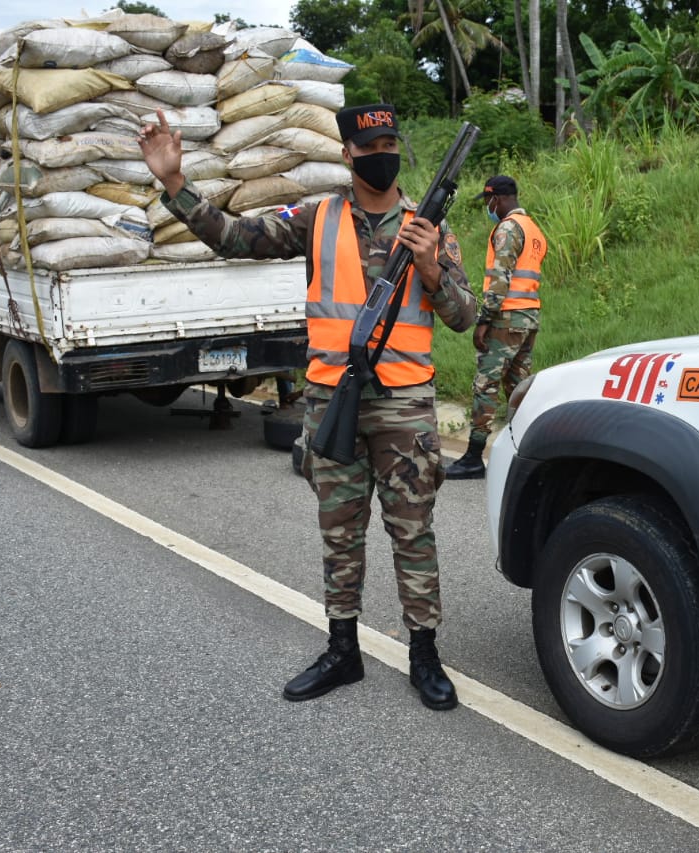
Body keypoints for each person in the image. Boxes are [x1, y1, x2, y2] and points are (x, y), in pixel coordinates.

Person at [138, 103, 476, 711]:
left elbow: (464, 317)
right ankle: (342, 650)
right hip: (332, 396)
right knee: (339, 533)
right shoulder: (317, 218)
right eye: (369, 146)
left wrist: (431, 267)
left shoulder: (430, 229)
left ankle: (423, 654)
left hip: (405, 409)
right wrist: (173, 182)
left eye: (390, 143)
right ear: (347, 154)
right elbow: (235, 237)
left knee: (413, 533)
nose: (382, 154)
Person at [445, 175, 547, 480]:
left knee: (486, 385)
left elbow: (501, 278)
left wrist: (484, 320)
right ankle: (527, 456)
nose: (488, 208)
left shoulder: (507, 229)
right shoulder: (534, 229)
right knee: (519, 389)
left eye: (488, 201)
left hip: (506, 319)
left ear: (498, 199)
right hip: (529, 318)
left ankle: (474, 457)